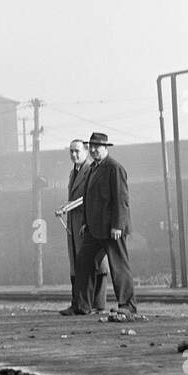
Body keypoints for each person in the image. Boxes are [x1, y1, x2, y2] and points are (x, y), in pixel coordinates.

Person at [74, 132, 140, 322]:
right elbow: (88, 199)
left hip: (112, 228)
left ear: (105, 148)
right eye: (91, 146)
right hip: (94, 228)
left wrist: (118, 225)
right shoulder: (93, 168)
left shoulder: (114, 168)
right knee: (84, 261)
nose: (93, 149)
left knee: (119, 266)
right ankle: (81, 305)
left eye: (97, 146)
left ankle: (127, 305)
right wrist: (85, 223)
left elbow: (121, 199)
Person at [56, 138, 108, 315]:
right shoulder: (74, 172)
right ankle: (78, 303)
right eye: (71, 151)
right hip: (74, 224)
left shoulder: (90, 170)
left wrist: (67, 207)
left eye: (77, 151)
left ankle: (96, 304)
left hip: (88, 222)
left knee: (94, 264)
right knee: (77, 264)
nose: (74, 154)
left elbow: (87, 197)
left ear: (85, 151)